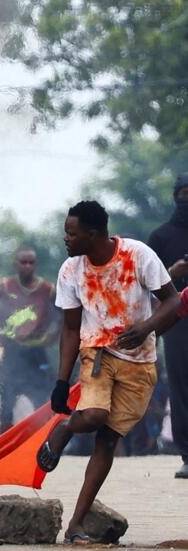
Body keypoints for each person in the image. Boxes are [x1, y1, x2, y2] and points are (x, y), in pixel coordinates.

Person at [37, 201, 177, 543]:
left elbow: (173, 301)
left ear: (94, 234)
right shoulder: (71, 270)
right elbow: (70, 329)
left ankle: (75, 525)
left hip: (140, 360)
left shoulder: (138, 255)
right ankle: (66, 428)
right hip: (96, 352)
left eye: (72, 233)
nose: (66, 239)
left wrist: (146, 328)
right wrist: (61, 380)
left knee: (107, 441)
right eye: (66, 232)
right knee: (95, 414)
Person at [0, 247, 58, 431]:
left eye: (31, 262)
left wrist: (54, 336)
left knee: (42, 402)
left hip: (36, 352)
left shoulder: (48, 289)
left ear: (36, 264)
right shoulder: (3, 287)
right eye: (23, 262)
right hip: (12, 351)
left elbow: (66, 315)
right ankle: (5, 448)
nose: (27, 266)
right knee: (6, 403)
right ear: (15, 264)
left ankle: (43, 444)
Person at [147, 172, 188, 479]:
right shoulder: (161, 237)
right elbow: (147, 287)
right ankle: (187, 453)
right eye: (184, 193)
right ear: (176, 196)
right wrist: (172, 272)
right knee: (181, 383)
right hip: (177, 318)